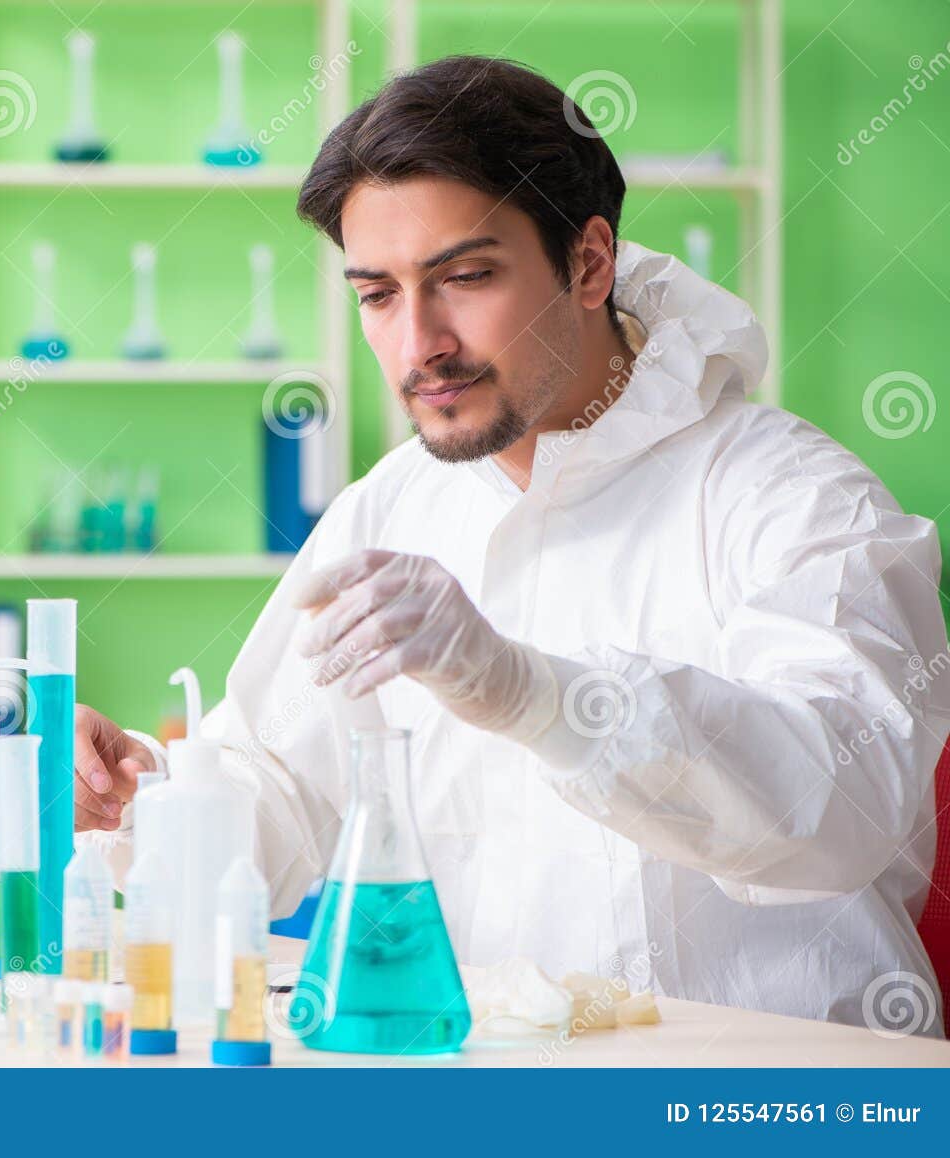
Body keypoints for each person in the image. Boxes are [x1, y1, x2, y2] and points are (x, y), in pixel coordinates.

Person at [73, 55, 950, 1033]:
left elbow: (845, 807)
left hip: (774, 1090)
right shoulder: (391, 507)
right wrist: (142, 795)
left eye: (464, 277)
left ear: (589, 263)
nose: (420, 344)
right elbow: (279, 787)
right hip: (496, 1083)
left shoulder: (793, 498)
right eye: (378, 295)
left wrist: (537, 697)